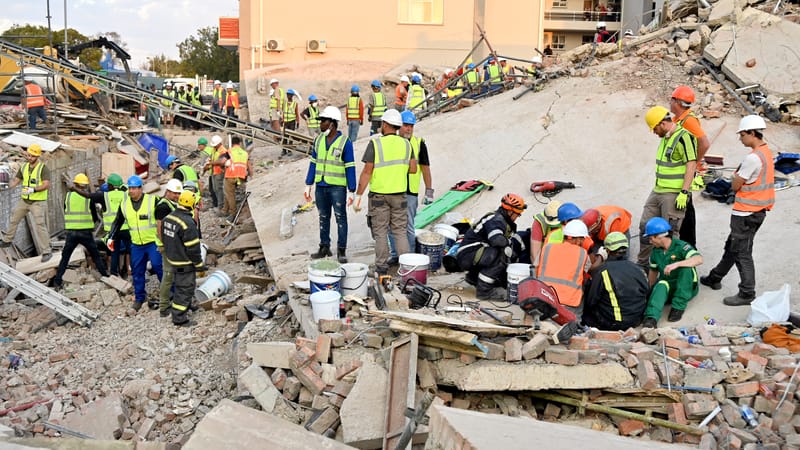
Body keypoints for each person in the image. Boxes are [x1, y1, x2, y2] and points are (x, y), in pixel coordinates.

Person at [700, 115, 775, 306]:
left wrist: (734, 179)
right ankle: (715, 277)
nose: (740, 138)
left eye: (742, 135)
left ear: (752, 133)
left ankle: (747, 292)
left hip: (746, 213)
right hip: (758, 210)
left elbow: (735, 185)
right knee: (733, 246)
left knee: (742, 252)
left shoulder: (752, 158)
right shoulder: (765, 152)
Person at [353, 109, 416, 275]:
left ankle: (382, 267)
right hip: (400, 195)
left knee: (380, 232)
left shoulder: (375, 144)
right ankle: (407, 267)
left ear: (386, 124)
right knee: (400, 232)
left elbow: (367, 171)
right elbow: (413, 169)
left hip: (379, 196)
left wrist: (358, 195)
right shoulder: (406, 144)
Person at [637, 106, 697, 267]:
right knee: (645, 226)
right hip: (658, 190)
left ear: (662, 123)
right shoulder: (666, 138)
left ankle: (670, 268)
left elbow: (691, 164)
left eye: (654, 128)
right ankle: (643, 264)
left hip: (673, 194)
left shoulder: (684, 137)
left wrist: (684, 191)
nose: (654, 132)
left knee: (670, 233)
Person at [304, 106, 356, 263]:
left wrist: (352, 190)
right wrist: (308, 184)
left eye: (323, 121)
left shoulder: (345, 143)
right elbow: (313, 162)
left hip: (337, 188)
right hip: (321, 186)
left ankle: (341, 250)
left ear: (332, 123)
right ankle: (324, 247)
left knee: (341, 218)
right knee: (323, 217)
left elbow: (350, 167)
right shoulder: (318, 140)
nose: (320, 124)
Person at [107, 175, 163, 312]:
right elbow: (118, 221)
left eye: (134, 188)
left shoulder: (153, 200)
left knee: (158, 266)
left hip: (152, 242)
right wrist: (111, 236)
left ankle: (169, 292)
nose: (131, 191)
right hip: (136, 244)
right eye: (129, 188)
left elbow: (164, 215)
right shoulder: (124, 205)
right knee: (137, 271)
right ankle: (139, 298)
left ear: (140, 188)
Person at [456, 194, 527, 300]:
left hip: (473, 253)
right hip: (467, 254)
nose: (517, 217)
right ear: (510, 211)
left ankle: (474, 278)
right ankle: (484, 292)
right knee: (501, 254)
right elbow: (497, 240)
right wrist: (510, 250)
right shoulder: (496, 219)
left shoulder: (504, 221)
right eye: (517, 214)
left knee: (503, 253)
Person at [51, 173, 110, 289]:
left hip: (71, 233)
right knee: (95, 255)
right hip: (85, 232)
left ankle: (57, 281)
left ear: (76, 184)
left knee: (65, 257)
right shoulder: (88, 199)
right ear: (85, 185)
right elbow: (94, 216)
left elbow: (66, 210)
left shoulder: (68, 197)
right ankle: (105, 276)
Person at [641, 217, 703, 327]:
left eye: (651, 238)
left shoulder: (681, 246)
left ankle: (678, 307)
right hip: (668, 286)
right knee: (661, 284)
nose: (650, 241)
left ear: (659, 236)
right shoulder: (655, 252)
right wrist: (649, 291)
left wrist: (677, 264)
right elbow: (653, 273)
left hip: (686, 286)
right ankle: (651, 318)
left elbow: (699, 259)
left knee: (686, 268)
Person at [388, 110, 433, 261]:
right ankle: (395, 255)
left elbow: (425, 168)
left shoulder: (419, 143)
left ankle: (411, 258)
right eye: (405, 125)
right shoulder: (392, 142)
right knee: (390, 225)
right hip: (393, 190)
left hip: (409, 192)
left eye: (411, 126)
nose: (408, 129)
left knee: (407, 226)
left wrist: (429, 190)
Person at [671, 85, 711, 247]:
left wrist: (694, 162)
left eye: (672, 99)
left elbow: (704, 142)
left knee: (686, 209)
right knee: (681, 206)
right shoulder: (679, 120)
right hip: (678, 170)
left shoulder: (689, 121)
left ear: (678, 102)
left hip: (685, 170)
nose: (670, 102)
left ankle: (689, 245)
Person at [583, 232, 648, 330]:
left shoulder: (603, 271)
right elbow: (646, 291)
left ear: (607, 250)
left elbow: (591, 301)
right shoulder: (638, 269)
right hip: (636, 320)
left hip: (614, 323)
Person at [70, 173, 130, 278]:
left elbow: (87, 196)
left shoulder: (104, 196)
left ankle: (113, 274)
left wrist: (74, 189)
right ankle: (131, 273)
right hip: (127, 228)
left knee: (113, 253)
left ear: (110, 186)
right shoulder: (126, 194)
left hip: (113, 231)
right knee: (130, 251)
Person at [0, 144, 52, 261]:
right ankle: (7, 241)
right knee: (14, 219)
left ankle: (47, 251)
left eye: (32, 156)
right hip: (25, 200)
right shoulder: (23, 167)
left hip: (37, 202)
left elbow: (46, 184)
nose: (29, 157)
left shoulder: (43, 168)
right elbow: (15, 181)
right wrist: (4, 187)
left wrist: (33, 189)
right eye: (28, 155)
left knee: (40, 226)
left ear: (37, 156)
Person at [162, 190, 205, 327]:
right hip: (184, 262)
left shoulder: (169, 218)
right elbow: (193, 248)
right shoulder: (188, 223)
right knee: (184, 288)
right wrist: (199, 265)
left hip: (172, 259)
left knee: (181, 286)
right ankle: (179, 318)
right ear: (191, 204)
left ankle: (187, 305)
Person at [537, 220, 591, 319]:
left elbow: (535, 268)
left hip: (544, 298)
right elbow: (586, 275)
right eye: (582, 239)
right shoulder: (583, 254)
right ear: (577, 239)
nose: (582, 242)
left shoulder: (547, 248)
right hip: (569, 304)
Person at [156, 179, 182, 314]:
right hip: (167, 247)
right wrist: (166, 245)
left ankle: (179, 301)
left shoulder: (172, 204)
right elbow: (159, 229)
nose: (177, 196)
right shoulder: (163, 207)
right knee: (168, 275)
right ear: (168, 192)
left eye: (179, 193)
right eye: (175, 193)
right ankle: (164, 305)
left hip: (174, 245)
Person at [218, 136, 251, 221]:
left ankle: (233, 214)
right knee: (228, 193)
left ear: (232, 144)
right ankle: (225, 210)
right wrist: (251, 176)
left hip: (231, 175)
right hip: (241, 176)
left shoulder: (230, 151)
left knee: (230, 194)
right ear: (239, 143)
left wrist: (222, 166)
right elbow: (249, 166)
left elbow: (222, 162)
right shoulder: (245, 153)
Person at [203, 135, 227, 212]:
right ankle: (217, 204)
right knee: (215, 189)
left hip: (220, 172)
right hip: (214, 172)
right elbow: (211, 158)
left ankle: (221, 205)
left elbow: (221, 162)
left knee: (219, 189)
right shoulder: (214, 149)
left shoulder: (223, 150)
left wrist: (211, 163)